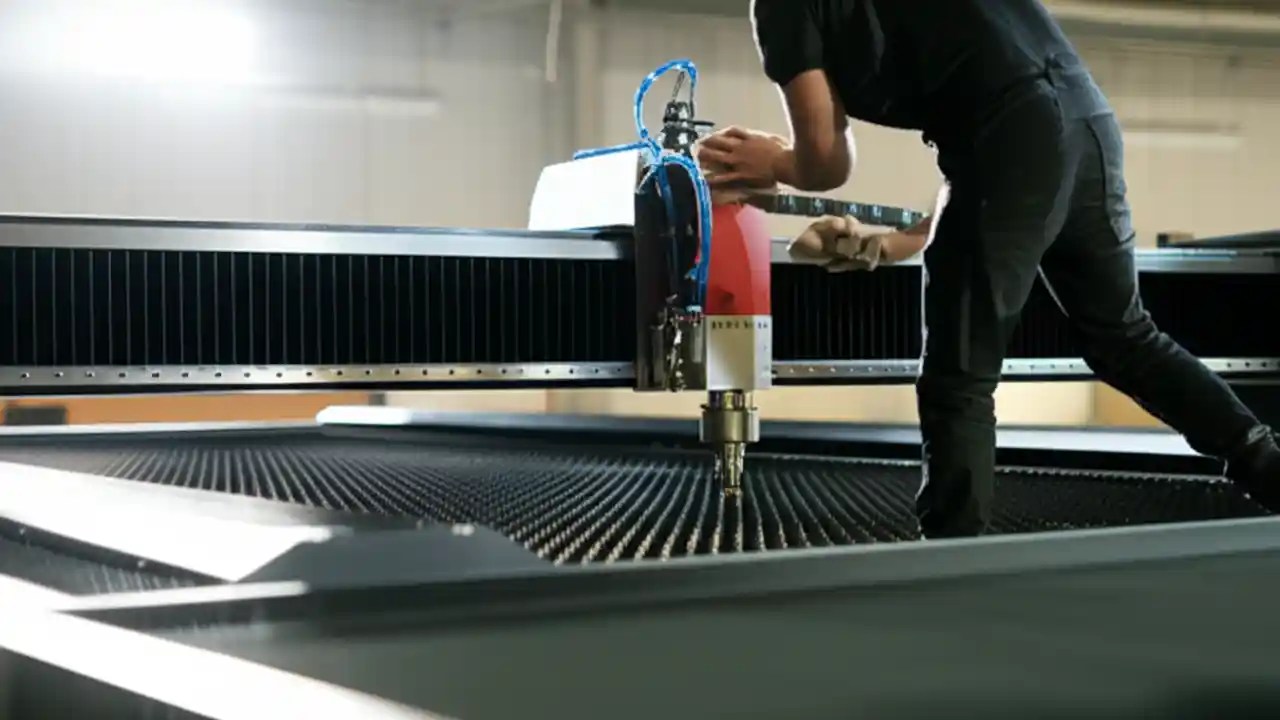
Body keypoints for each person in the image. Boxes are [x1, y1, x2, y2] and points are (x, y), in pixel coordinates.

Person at [696, 0, 1280, 538]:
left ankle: (952, 557)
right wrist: (893, 245)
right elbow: (995, 123)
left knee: (959, 379)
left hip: (1011, 134)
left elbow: (826, 160)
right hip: (1088, 121)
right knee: (1125, 335)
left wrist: (770, 161)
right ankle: (1267, 465)